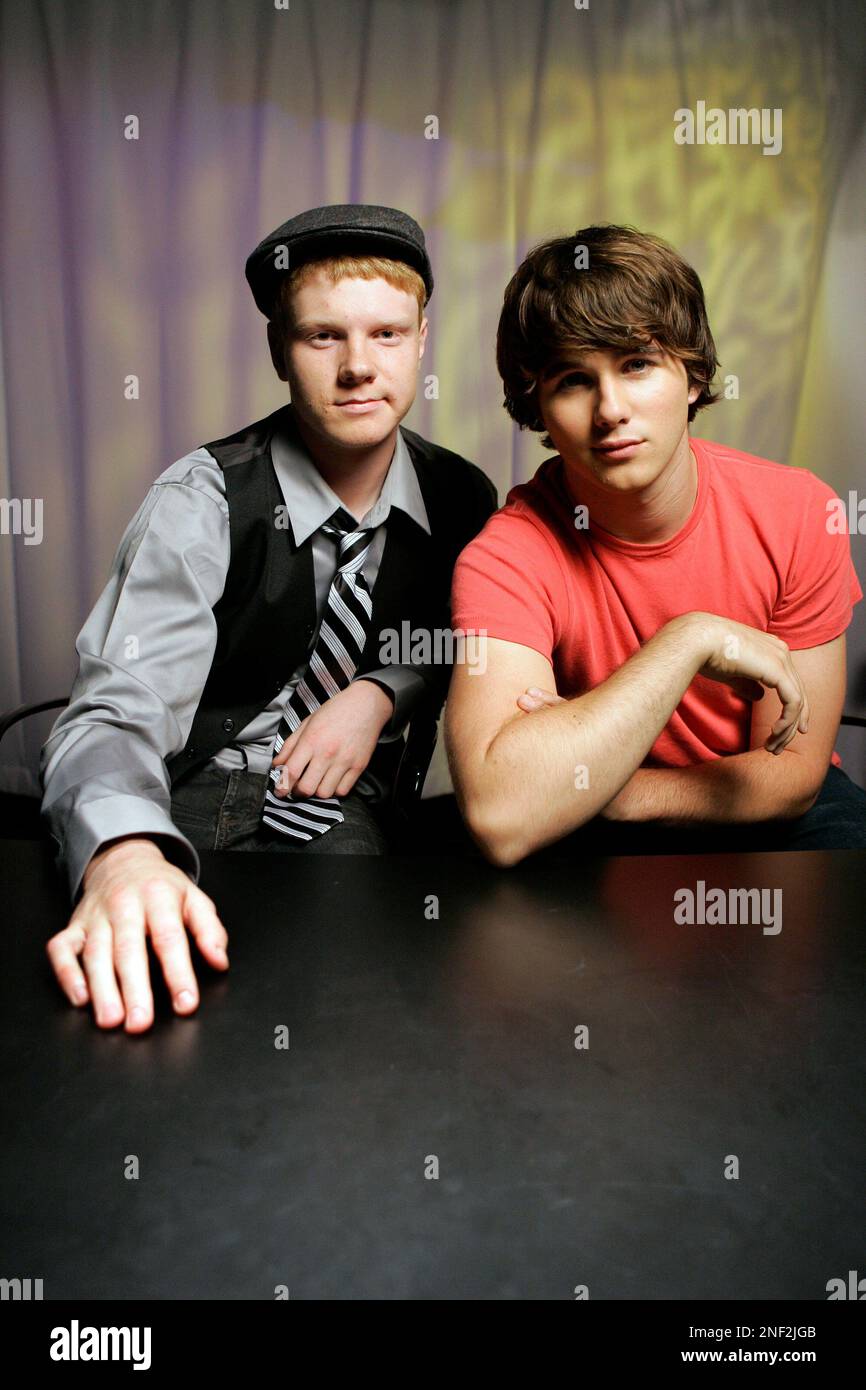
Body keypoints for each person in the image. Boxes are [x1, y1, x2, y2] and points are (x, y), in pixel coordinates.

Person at [40, 204, 497, 1030]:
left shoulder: (463, 497)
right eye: (323, 337)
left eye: (387, 335)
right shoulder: (204, 498)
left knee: (369, 1010)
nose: (360, 366)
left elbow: (474, 636)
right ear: (278, 350)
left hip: (350, 809)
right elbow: (117, 708)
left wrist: (384, 690)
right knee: (153, 997)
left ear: (423, 339)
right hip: (189, 790)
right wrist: (122, 853)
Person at [446, 223, 865, 867]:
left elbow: (792, 775)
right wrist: (688, 639)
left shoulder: (799, 511)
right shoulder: (506, 556)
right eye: (572, 381)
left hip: (752, 810)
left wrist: (604, 788)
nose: (610, 409)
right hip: (586, 825)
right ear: (540, 408)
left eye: (637, 365)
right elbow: (504, 816)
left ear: (693, 376)